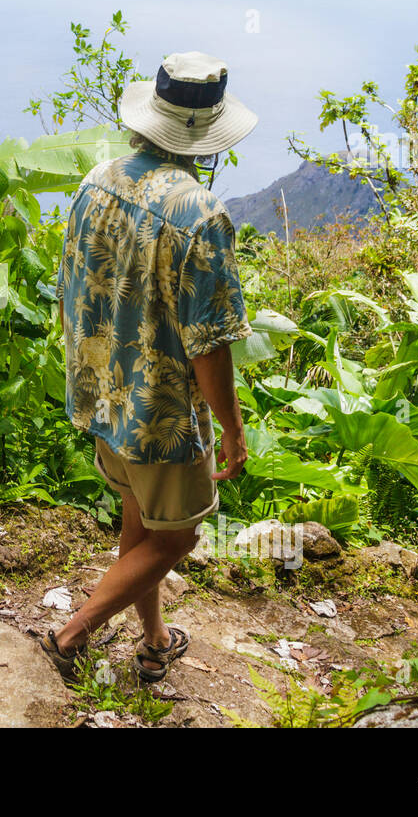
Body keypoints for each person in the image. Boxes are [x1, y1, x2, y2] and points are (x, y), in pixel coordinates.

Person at [41, 51, 256, 683]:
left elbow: (71, 286)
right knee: (176, 538)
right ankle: (70, 634)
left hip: (101, 390)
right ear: (205, 135)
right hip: (160, 413)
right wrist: (234, 428)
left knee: (140, 518)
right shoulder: (200, 215)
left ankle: (155, 637)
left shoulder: (97, 180)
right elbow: (209, 342)